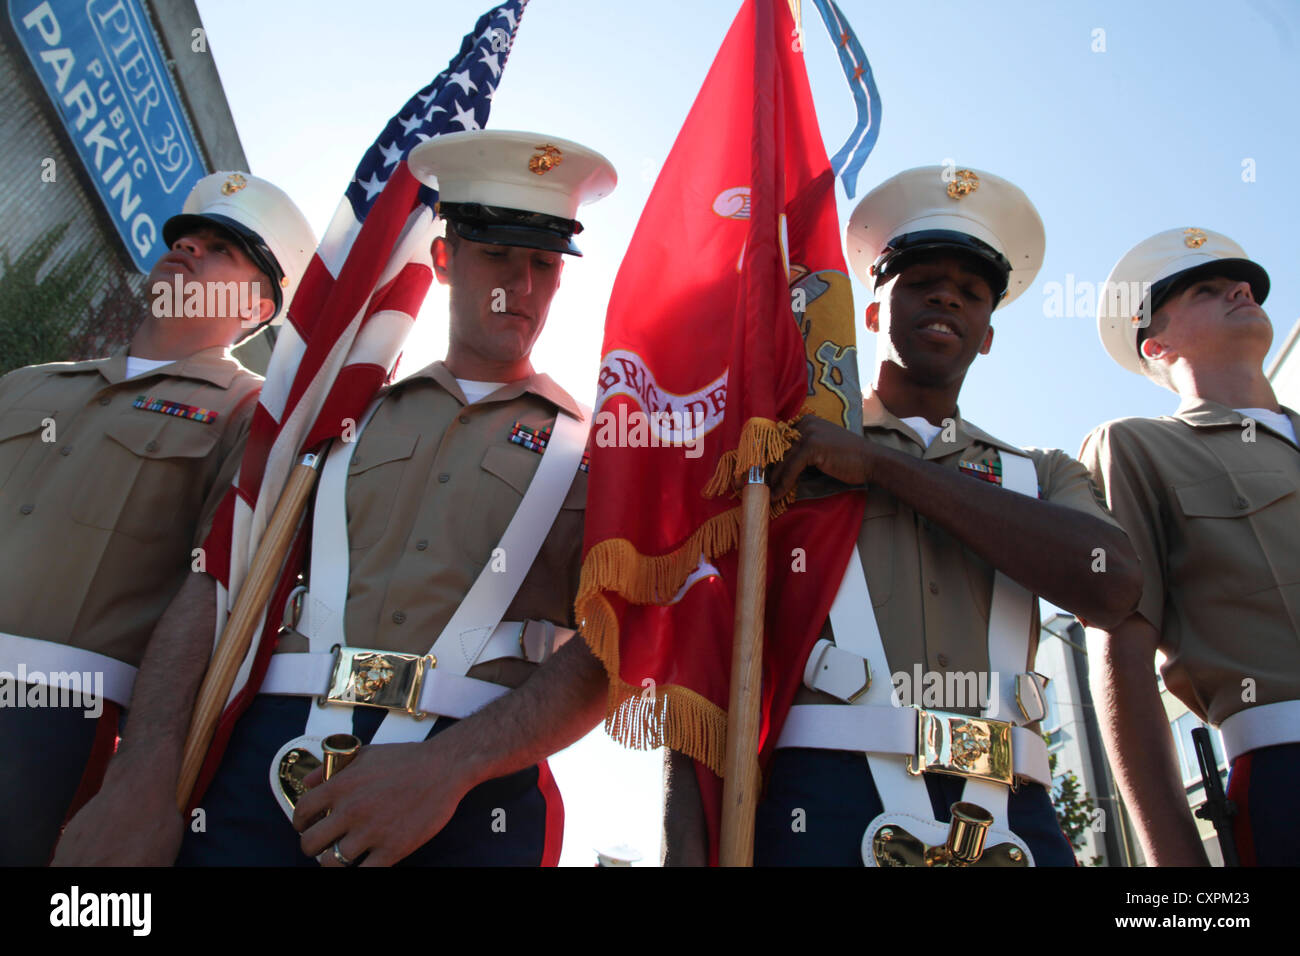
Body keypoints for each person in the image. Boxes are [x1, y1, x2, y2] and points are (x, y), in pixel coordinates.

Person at [54, 130, 616, 867]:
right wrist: (143, 771)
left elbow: (617, 645)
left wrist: (450, 768)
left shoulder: (599, 455)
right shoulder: (331, 417)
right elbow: (217, 579)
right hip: (267, 753)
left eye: (545, 263)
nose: (525, 284)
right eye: (498, 255)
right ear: (443, 260)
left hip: (473, 782)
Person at [665, 165, 1141, 867]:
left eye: (972, 292)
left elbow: (1113, 584)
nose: (946, 295)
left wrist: (886, 468)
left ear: (987, 335)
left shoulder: (1040, 474)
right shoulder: (783, 449)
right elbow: (701, 649)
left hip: (1015, 809)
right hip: (824, 796)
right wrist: (684, 844)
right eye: (919, 282)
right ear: (871, 311)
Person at [0, 171, 315, 865]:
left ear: (259, 305)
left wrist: (145, 766)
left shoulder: (255, 419)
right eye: (187, 237)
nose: (191, 249)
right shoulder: (27, 385)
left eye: (222, 248)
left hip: (56, 718)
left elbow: (216, 589)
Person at [1079, 227, 1300, 866]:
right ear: (1158, 344)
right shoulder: (1137, 447)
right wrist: (1177, 869)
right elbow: (1122, 656)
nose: (1240, 289)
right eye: (1207, 289)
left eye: (1243, 284)